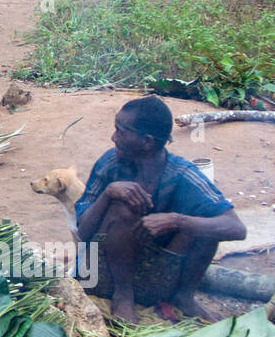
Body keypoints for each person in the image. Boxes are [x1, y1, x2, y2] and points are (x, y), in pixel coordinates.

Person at [74, 96, 246, 324]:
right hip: (103, 276)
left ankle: (184, 297)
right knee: (122, 208)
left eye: (121, 131)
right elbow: (83, 232)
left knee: (205, 224)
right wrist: (108, 194)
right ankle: (123, 296)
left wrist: (177, 220)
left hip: (160, 278)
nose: (113, 137)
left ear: (147, 142)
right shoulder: (110, 165)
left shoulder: (182, 174)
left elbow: (236, 228)